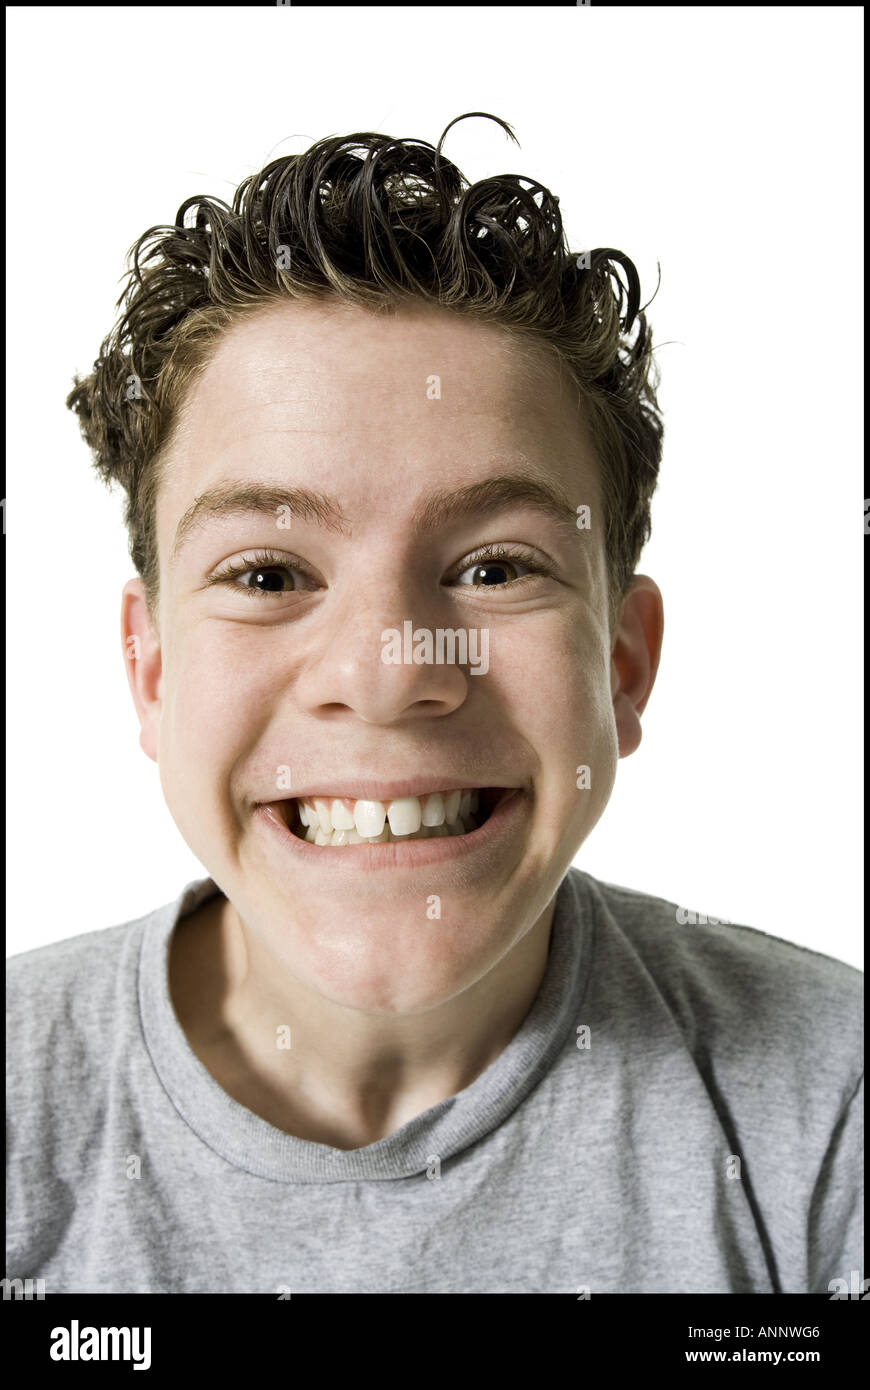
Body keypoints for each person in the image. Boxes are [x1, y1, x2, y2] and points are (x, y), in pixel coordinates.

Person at [6, 113, 862, 1294]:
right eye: (267, 575)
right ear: (152, 671)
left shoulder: (832, 1118)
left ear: (622, 664)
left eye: (497, 566)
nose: (386, 670)